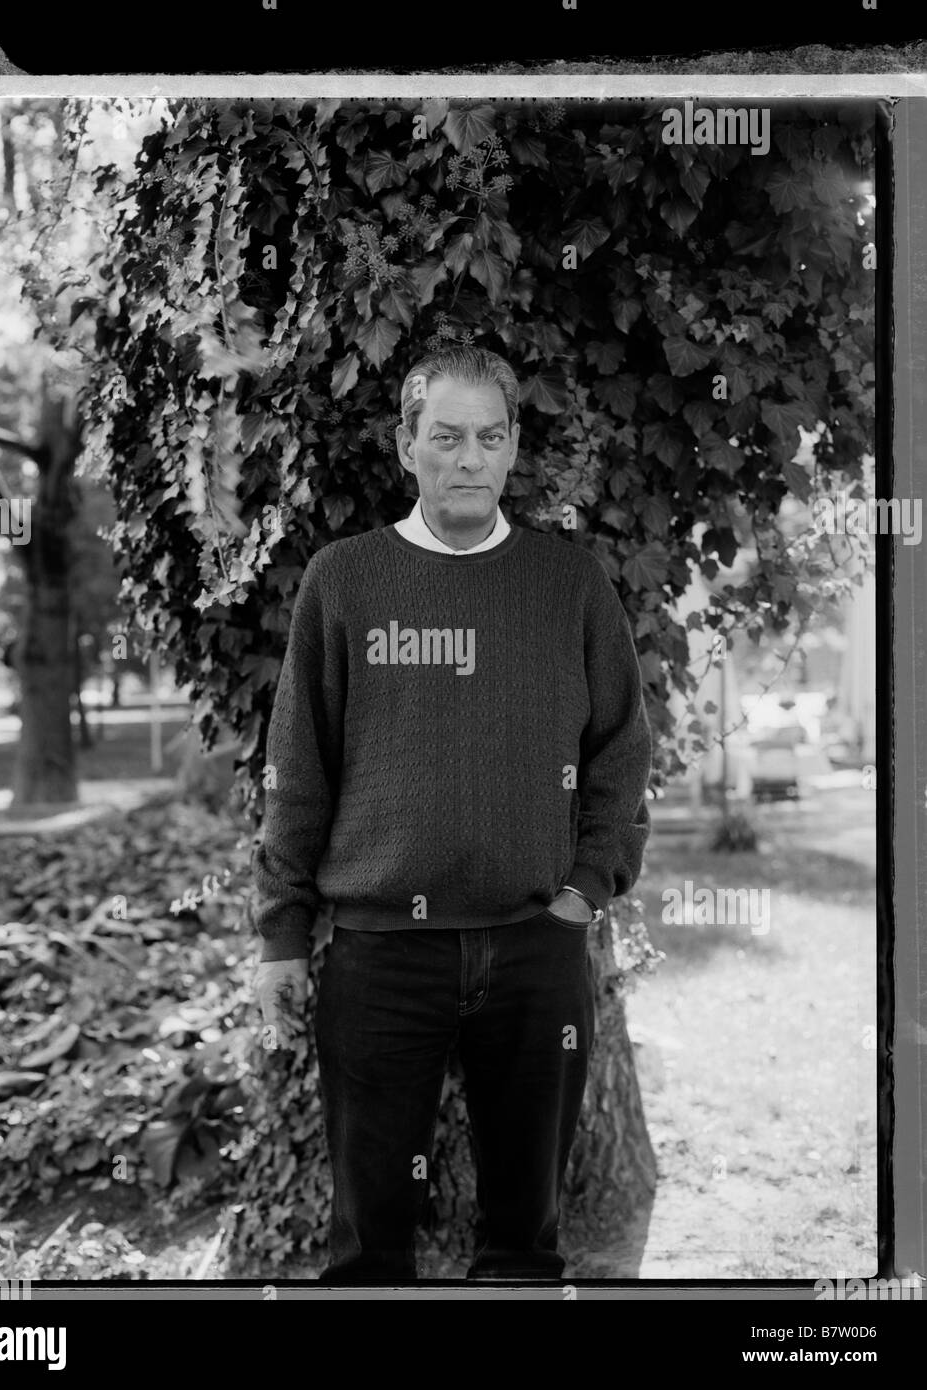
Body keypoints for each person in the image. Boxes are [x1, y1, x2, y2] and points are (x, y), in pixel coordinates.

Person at [252, 345, 652, 1282]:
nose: (468, 460)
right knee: (367, 1247)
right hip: (381, 957)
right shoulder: (344, 581)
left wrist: (584, 895)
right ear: (407, 446)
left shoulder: (569, 584)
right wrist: (280, 936)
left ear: (513, 450)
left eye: (488, 438)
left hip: (533, 950)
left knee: (523, 1245)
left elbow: (621, 756)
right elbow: (296, 770)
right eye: (446, 438)